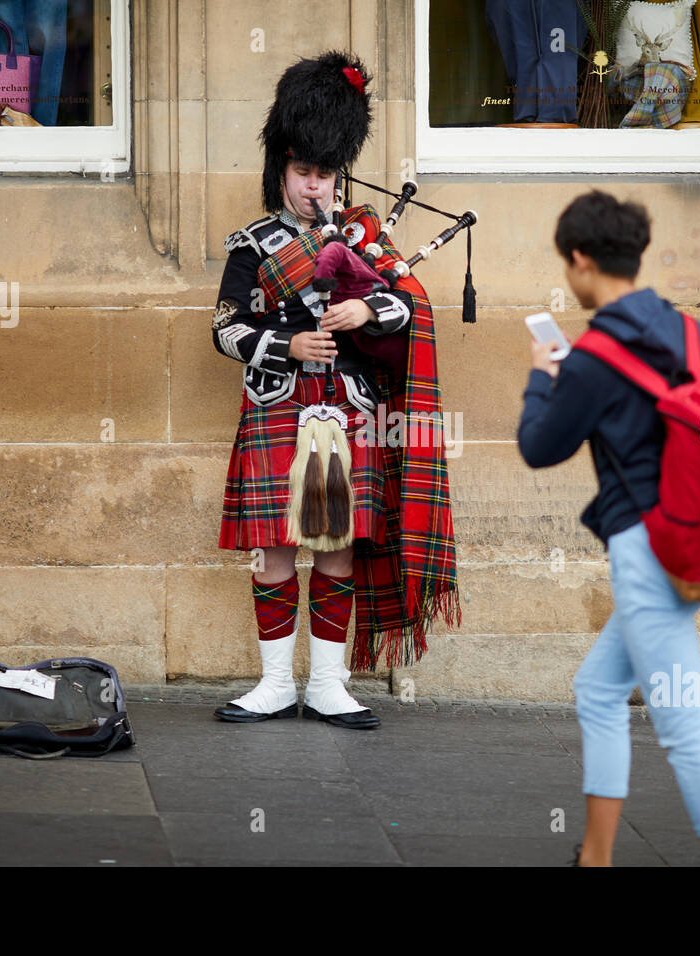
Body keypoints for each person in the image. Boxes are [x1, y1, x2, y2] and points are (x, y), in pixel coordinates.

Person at [211, 51, 459, 730]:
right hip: (278, 405)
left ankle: (327, 683)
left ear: (338, 173)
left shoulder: (365, 242)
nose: (314, 187)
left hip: (348, 413)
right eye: (302, 173)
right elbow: (224, 329)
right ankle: (271, 685)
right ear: (281, 171)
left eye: (325, 174)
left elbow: (411, 308)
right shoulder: (253, 247)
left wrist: (365, 310)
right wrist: (285, 344)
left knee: (339, 545)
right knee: (276, 546)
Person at [517, 190, 700, 867]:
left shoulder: (591, 357)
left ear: (583, 260)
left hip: (645, 549)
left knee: (684, 727)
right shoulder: (689, 332)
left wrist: (541, 379)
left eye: (568, 264)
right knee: (598, 688)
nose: (568, 277)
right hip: (692, 533)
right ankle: (595, 856)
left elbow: (539, 446)